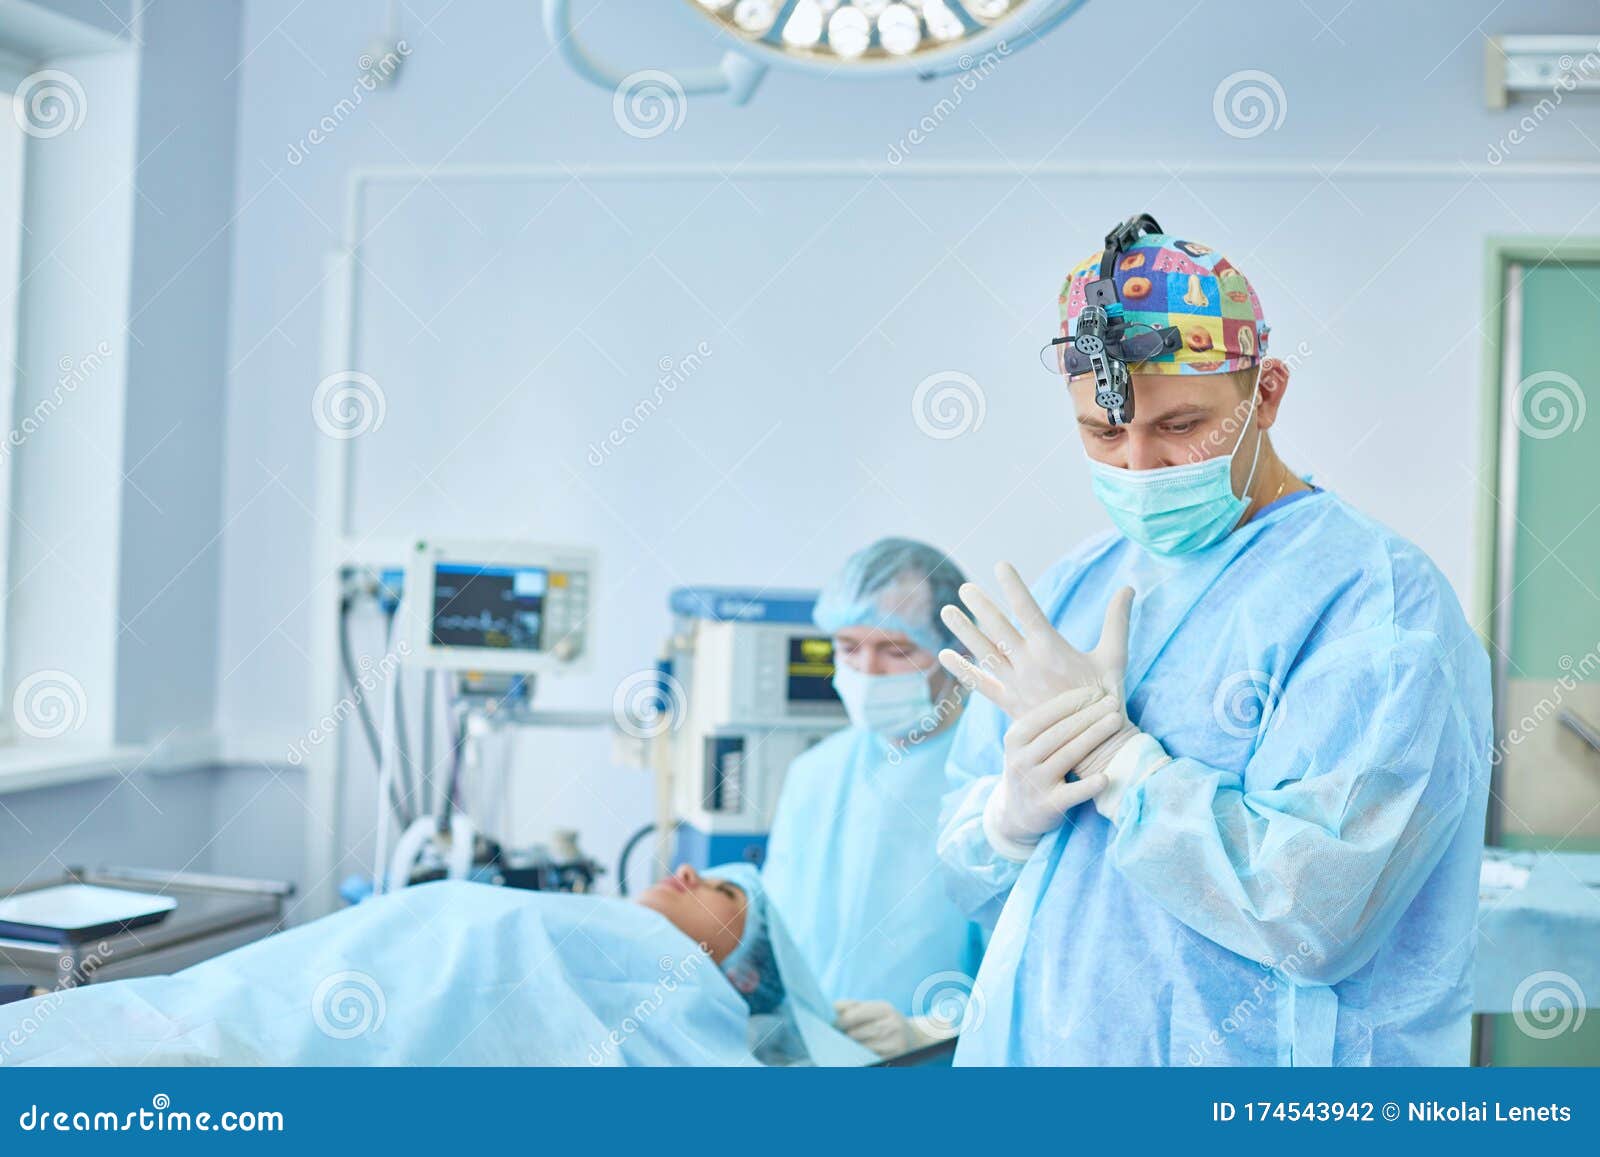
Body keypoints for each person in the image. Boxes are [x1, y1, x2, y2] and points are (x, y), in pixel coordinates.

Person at [934, 224, 1492, 1066]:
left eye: (1181, 425)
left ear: (1265, 394)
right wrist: (1007, 819)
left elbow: (1316, 920)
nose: (1141, 464)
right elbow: (971, 880)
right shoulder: (1077, 587)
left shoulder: (1377, 605)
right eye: (1101, 434)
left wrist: (1124, 765)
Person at [0, 865, 872, 1068]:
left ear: (746, 972)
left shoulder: (688, 989)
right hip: (262, 994)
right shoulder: (589, 918)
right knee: (185, 1020)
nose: (687, 873)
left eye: (725, 891)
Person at [760, 537, 985, 1058]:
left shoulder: (997, 775)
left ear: (957, 653)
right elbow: (777, 930)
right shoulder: (814, 773)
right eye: (849, 647)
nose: (866, 670)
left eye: (895, 649)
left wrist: (929, 1028)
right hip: (808, 1053)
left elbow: (1033, 959)